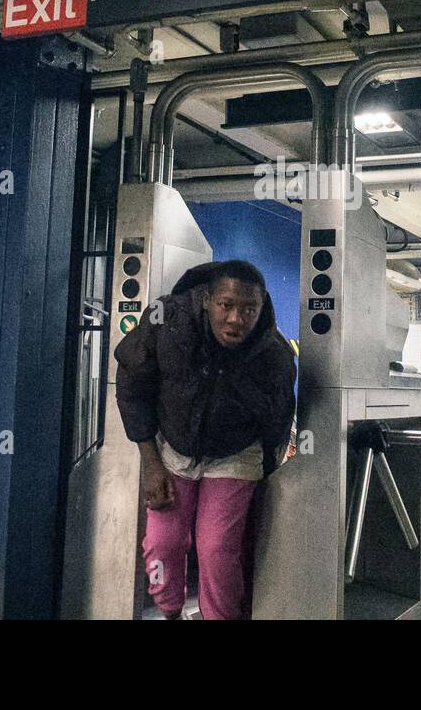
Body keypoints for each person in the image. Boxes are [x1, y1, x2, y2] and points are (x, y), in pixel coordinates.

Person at [114, 259, 296, 620]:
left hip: (236, 454)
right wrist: (151, 461)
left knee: (216, 548)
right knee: (162, 544)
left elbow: (278, 419)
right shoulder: (166, 322)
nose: (236, 319)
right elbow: (133, 387)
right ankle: (169, 613)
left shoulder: (272, 354)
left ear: (262, 308)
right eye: (226, 305)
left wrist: (268, 476)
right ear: (206, 300)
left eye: (249, 309)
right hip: (173, 449)